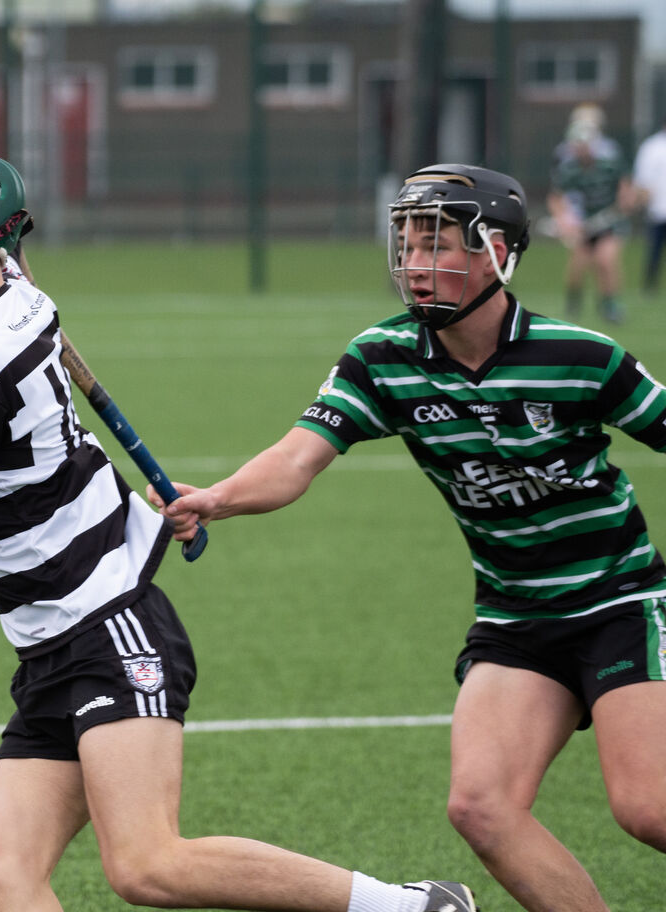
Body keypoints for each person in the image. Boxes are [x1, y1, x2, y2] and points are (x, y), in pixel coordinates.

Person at [0, 55, 478, 912]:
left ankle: (413, 908)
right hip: (52, 644)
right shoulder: (15, 291)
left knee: (146, 865)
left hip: (108, 625)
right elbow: (1, 214)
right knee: (2, 874)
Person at [153, 163, 666, 912]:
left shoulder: (583, 358)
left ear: (497, 252)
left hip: (617, 601)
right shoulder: (382, 360)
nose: (416, 266)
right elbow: (298, 458)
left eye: (439, 245)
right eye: (408, 244)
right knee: (481, 808)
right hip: (515, 616)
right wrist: (219, 499)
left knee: (647, 807)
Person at [545, 105, 636, 323]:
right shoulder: (570, 169)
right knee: (578, 266)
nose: (581, 149)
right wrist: (565, 220)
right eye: (577, 145)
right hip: (586, 223)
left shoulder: (609, 164)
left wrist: (625, 199)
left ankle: (610, 305)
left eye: (584, 145)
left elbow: (625, 187)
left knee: (606, 261)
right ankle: (573, 302)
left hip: (609, 222)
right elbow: (555, 197)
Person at [632, 115, 666, 293]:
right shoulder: (652, 147)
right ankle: (650, 285)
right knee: (655, 250)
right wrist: (643, 198)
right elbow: (643, 178)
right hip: (659, 209)